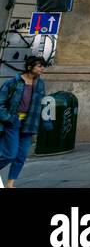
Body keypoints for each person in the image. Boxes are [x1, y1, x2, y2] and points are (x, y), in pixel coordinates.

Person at [0, 55, 53, 187]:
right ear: (30, 67)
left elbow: (43, 102)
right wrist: (9, 118)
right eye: (39, 66)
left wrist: (47, 123)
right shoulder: (13, 82)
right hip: (13, 122)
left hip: (29, 123)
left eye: (43, 66)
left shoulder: (40, 83)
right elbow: (0, 103)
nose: (42, 69)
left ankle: (10, 184)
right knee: (10, 154)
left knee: (21, 155)